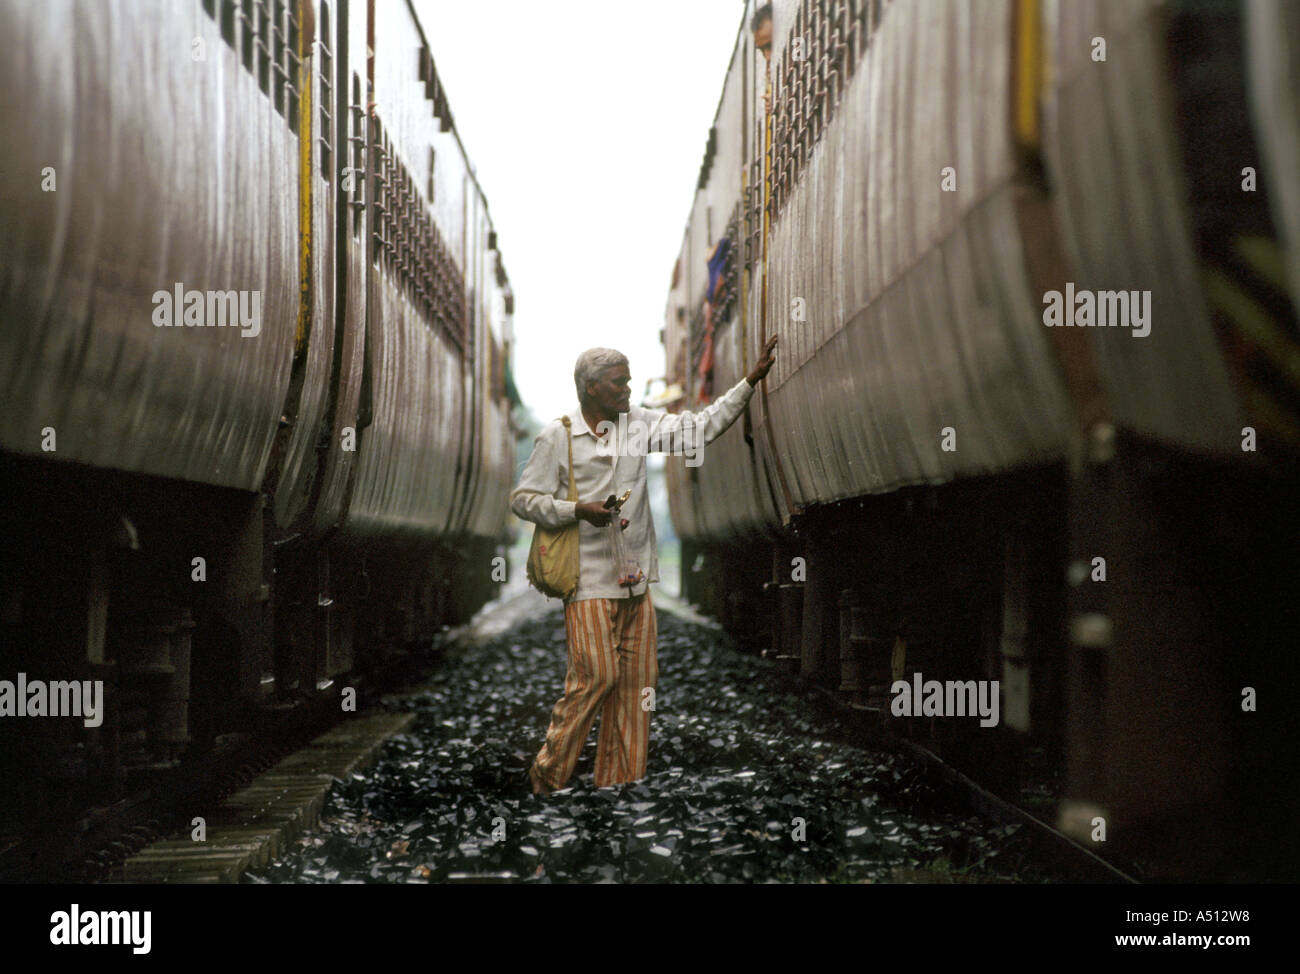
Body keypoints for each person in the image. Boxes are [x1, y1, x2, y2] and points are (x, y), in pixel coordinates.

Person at [511, 338, 778, 794]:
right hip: (588, 582)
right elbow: (524, 500)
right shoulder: (558, 436)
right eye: (619, 382)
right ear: (591, 388)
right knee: (595, 677)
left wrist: (748, 383)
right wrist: (577, 510)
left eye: (629, 381)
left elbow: (697, 429)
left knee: (637, 686)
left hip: (635, 581)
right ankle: (547, 778)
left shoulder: (638, 425)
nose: (629, 389)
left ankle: (619, 784)